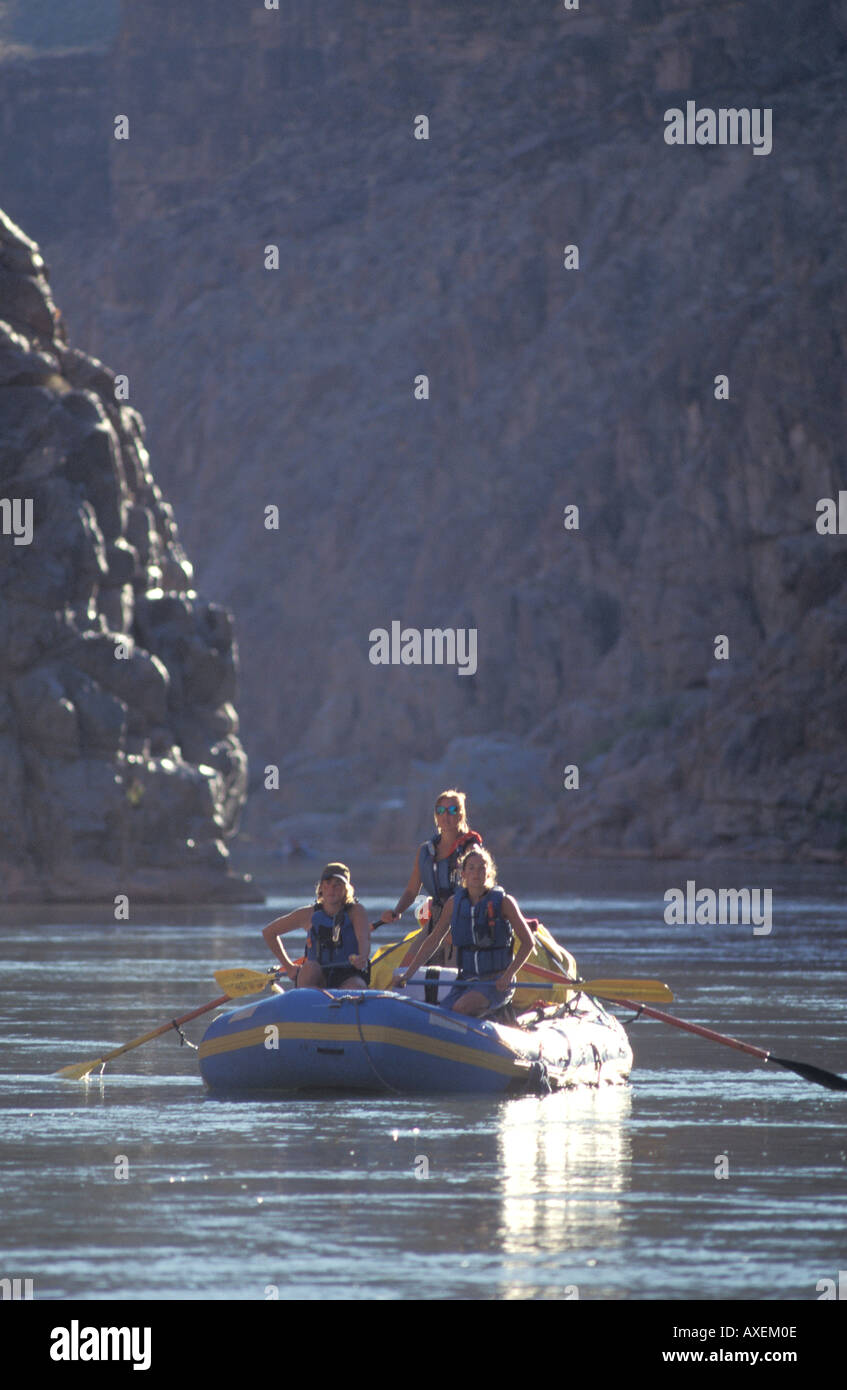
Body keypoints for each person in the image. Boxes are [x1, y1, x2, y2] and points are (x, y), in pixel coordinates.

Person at [392, 846, 535, 1017]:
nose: (477, 873)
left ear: (489, 873)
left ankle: (493, 1016)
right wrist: (408, 974)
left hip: (496, 982)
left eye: (482, 867)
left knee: (460, 1008)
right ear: (463, 874)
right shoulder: (454, 904)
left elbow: (528, 942)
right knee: (440, 1017)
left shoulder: (504, 902)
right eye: (471, 868)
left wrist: (508, 975)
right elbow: (433, 940)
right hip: (465, 980)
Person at [380, 789, 483, 963]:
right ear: (436, 816)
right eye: (441, 811)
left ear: (461, 815)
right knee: (408, 966)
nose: (446, 816)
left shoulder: (471, 850)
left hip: (464, 920)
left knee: (452, 971)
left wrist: (454, 929)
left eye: (453, 810)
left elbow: (480, 889)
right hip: (436, 917)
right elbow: (412, 891)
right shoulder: (426, 851)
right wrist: (397, 911)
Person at [261, 862, 371, 989]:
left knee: (356, 986)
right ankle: (309, 1000)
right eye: (328, 884)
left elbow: (364, 939)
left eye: (337, 885)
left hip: (348, 975)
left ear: (346, 890)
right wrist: (289, 967)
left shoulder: (356, 911)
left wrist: (362, 957)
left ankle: (349, 1002)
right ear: (321, 888)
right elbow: (269, 932)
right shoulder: (307, 914)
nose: (331, 889)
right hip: (317, 976)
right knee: (310, 967)